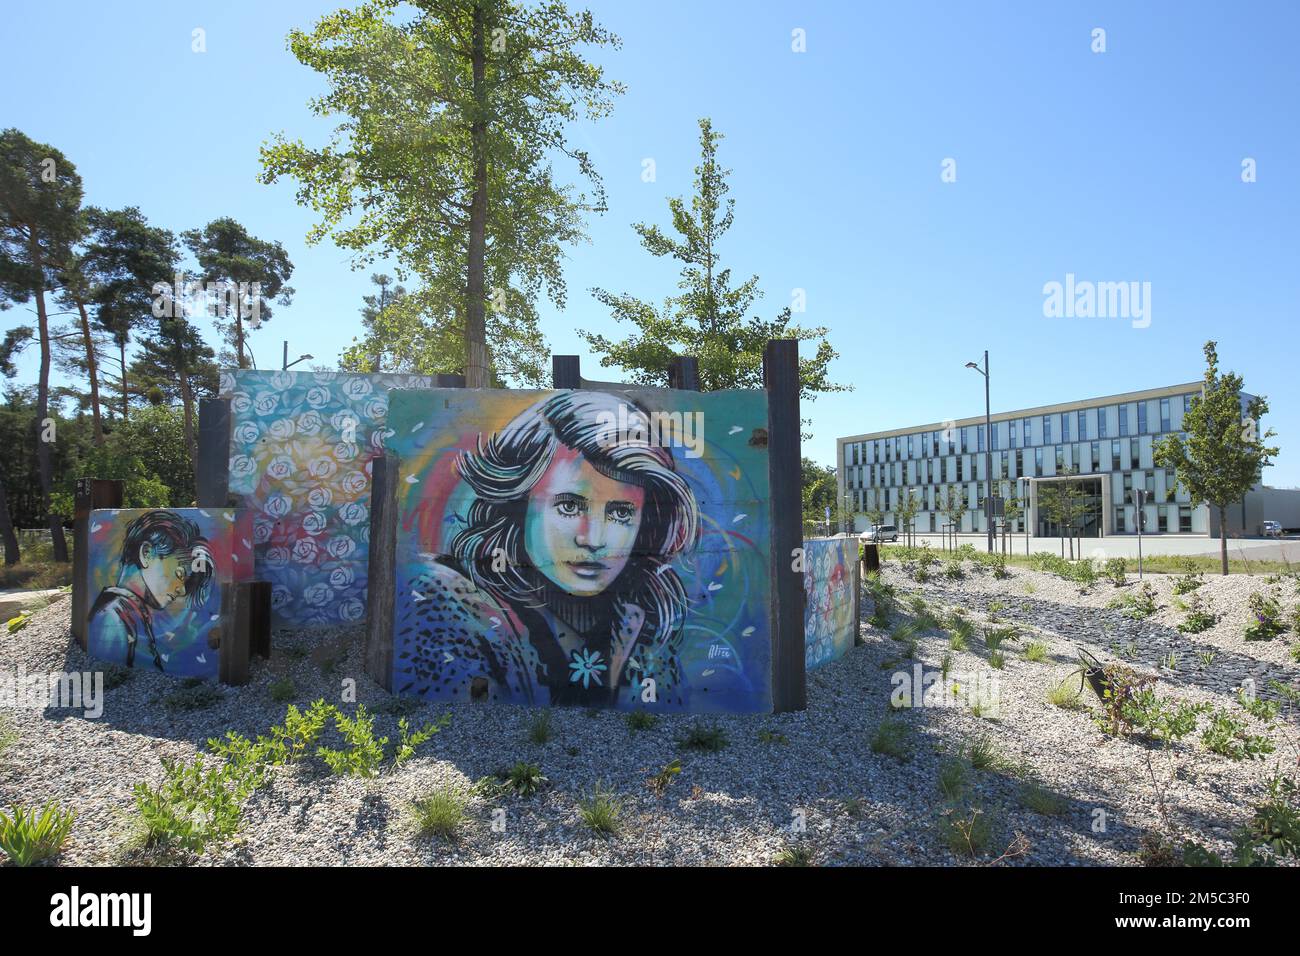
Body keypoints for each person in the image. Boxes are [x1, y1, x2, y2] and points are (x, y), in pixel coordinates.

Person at [394, 391, 700, 708]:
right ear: (518, 500)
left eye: (621, 513)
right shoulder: (447, 599)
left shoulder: (643, 618)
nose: (593, 539)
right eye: (569, 506)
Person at [88, 511, 213, 671]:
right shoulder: (113, 617)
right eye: (179, 574)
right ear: (146, 553)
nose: (182, 590)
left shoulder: (130, 614)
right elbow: (106, 676)